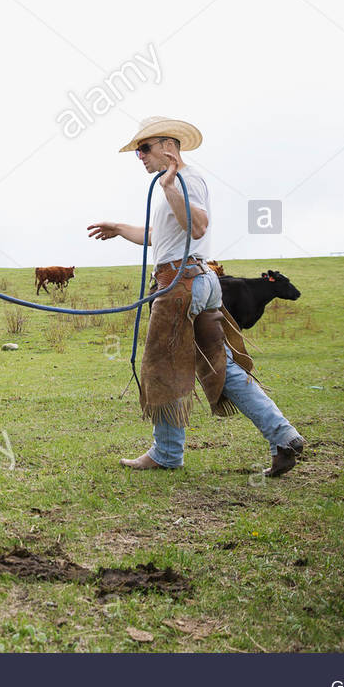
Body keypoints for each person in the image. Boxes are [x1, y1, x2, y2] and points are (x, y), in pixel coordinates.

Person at [87, 116, 304, 478]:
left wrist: (170, 183)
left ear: (169, 147)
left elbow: (198, 224)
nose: (139, 156)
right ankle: (283, 435)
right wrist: (120, 228)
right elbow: (164, 235)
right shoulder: (176, 186)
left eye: (145, 148)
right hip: (196, 280)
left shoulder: (186, 180)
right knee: (220, 366)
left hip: (180, 286)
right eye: (138, 150)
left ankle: (168, 453)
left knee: (164, 368)